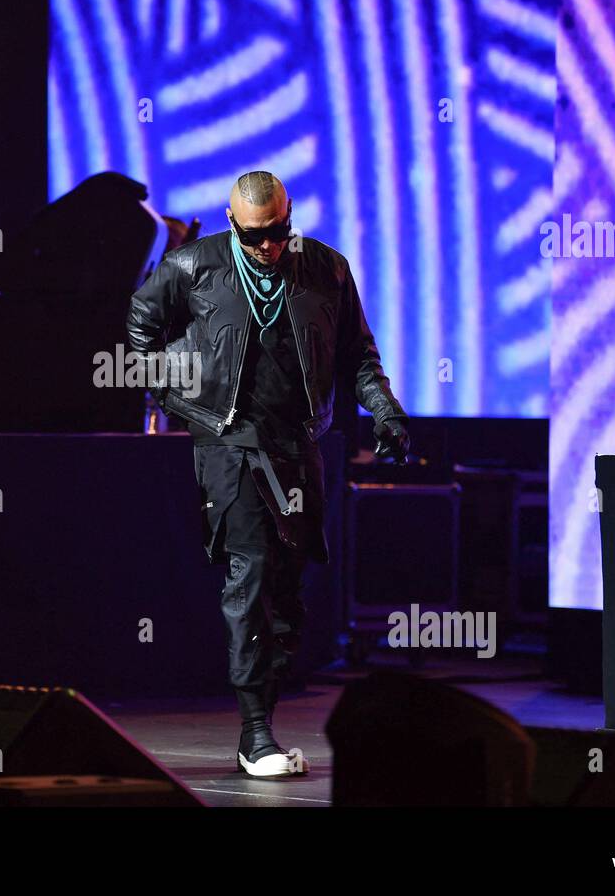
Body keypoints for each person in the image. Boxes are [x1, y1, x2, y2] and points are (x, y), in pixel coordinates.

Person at [126, 170, 410, 777]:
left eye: (277, 231)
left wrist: (385, 410)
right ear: (232, 222)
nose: (267, 246)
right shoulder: (192, 266)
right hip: (229, 443)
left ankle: (264, 726)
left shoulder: (326, 269)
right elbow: (140, 325)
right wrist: (178, 395)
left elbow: (359, 355)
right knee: (250, 576)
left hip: (298, 444)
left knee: (289, 589)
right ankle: (255, 733)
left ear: (290, 215)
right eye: (253, 235)